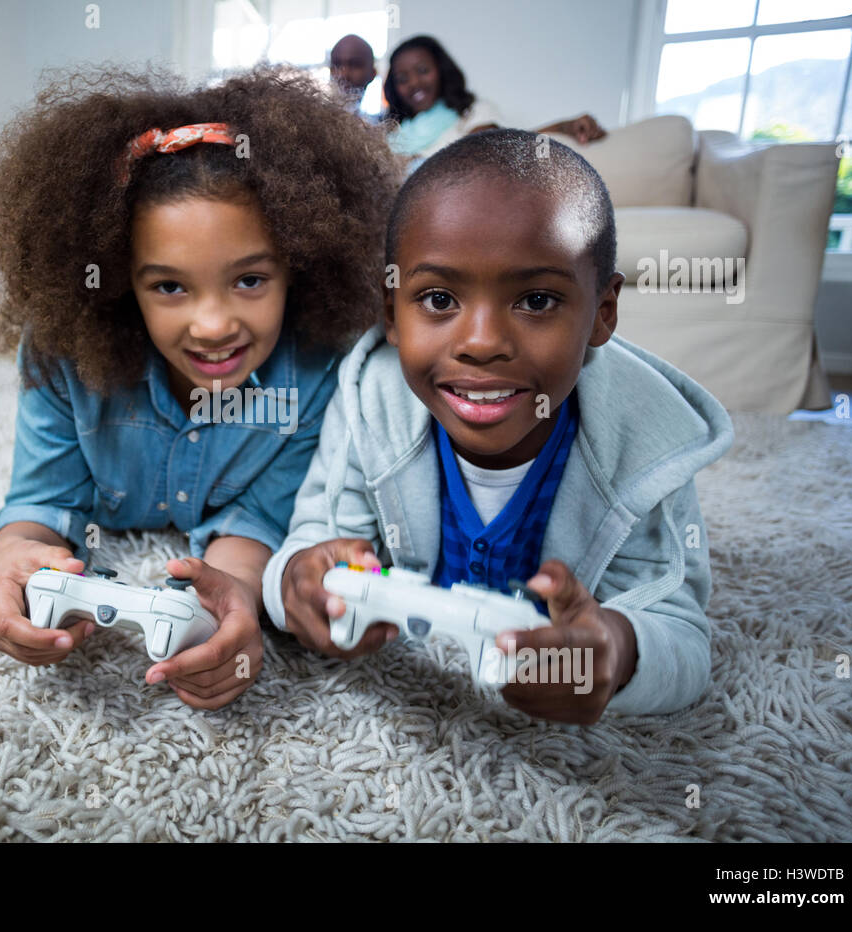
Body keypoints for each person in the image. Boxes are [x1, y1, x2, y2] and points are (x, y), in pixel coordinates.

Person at [262, 128, 734, 722]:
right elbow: (309, 545)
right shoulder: (369, 400)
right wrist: (294, 588)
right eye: (437, 299)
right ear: (391, 315)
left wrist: (614, 651)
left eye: (536, 301)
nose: (481, 343)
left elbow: (683, 638)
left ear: (602, 313)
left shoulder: (645, 442)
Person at [0, 66, 399, 710]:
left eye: (250, 280)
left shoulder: (319, 370)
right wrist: (17, 562)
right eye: (170, 286)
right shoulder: (65, 351)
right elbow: (41, 502)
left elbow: (256, 523)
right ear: (121, 280)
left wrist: (230, 598)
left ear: (300, 265)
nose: (213, 324)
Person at [385, 35, 606, 167]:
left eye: (423, 70)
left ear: (441, 70)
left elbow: (491, 151)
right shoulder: (393, 136)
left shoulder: (474, 113)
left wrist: (561, 127)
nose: (413, 83)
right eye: (402, 79)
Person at [329, 33, 383, 124]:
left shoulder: (382, 127)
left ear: (373, 74)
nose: (343, 75)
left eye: (355, 64)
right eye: (337, 64)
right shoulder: (309, 120)